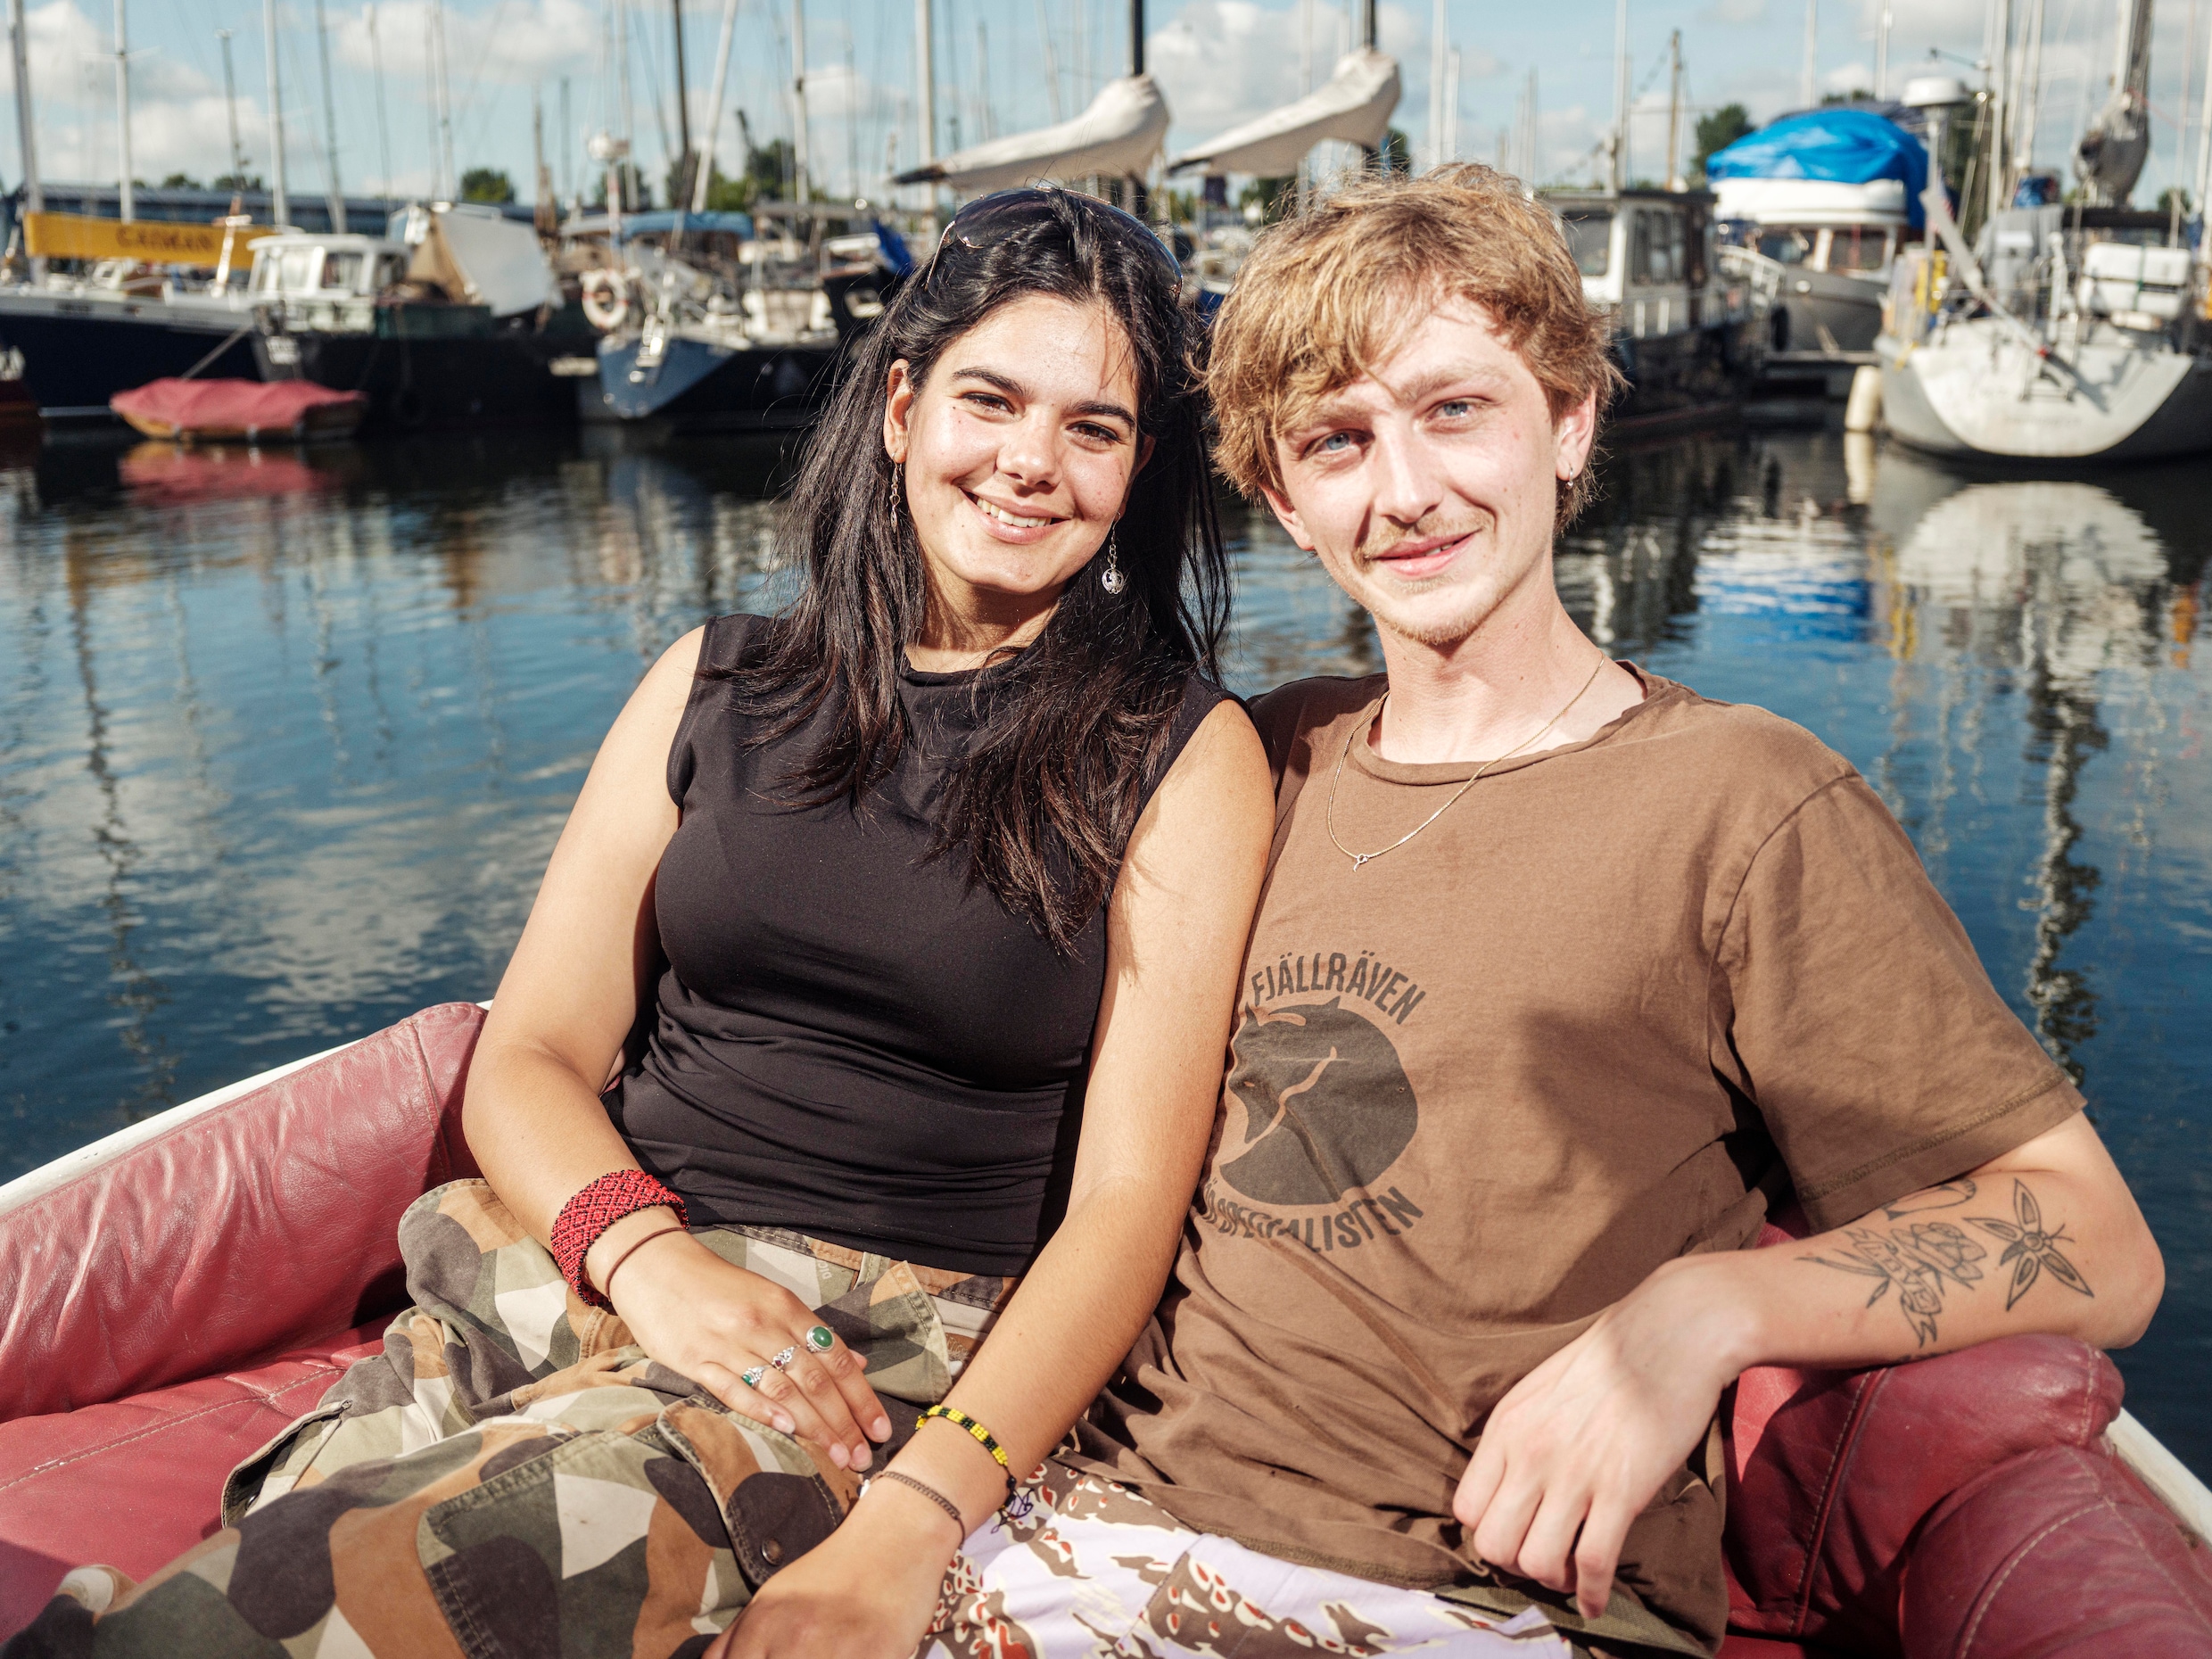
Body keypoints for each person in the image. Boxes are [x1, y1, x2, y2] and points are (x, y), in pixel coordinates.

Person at [896, 166, 2167, 1659]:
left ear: (1568, 422)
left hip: (1452, 1600)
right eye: (1340, 441)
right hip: (1077, 1527)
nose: (1407, 489)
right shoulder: (1259, 757)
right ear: (1285, 499)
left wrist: (1703, 1313)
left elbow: (2095, 1239)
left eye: (1455, 411)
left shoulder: (1743, 801)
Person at [4, 187, 1275, 1659]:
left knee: (268, 1613)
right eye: (990, 401)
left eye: (1093, 429)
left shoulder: (1175, 752)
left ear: (1140, 468)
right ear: (900, 408)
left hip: (859, 1346)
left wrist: (922, 1509)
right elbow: (533, 1048)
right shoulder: (715, 682)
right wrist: (653, 1264)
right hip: (583, 1262)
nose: (1029, 464)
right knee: (283, 1535)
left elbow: (1129, 1207)